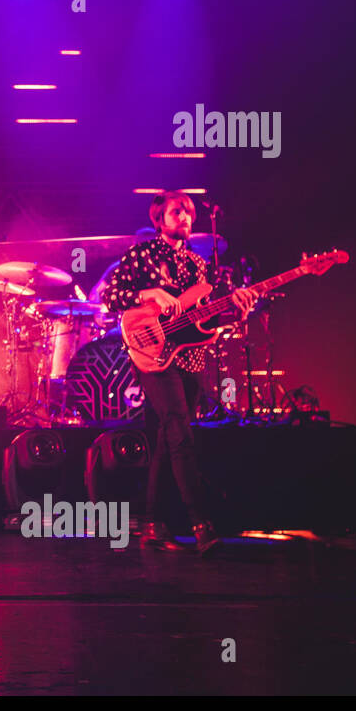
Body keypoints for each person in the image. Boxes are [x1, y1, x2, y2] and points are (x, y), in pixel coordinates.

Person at [100, 191, 256, 554]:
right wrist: (149, 292)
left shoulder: (199, 267)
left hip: (190, 359)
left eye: (188, 212)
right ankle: (203, 524)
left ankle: (152, 524)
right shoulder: (143, 254)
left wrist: (237, 311)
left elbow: (207, 320)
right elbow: (111, 296)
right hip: (151, 353)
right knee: (180, 434)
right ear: (160, 219)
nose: (185, 217)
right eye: (177, 211)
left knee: (166, 441)